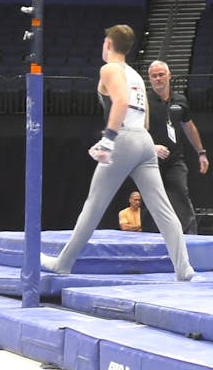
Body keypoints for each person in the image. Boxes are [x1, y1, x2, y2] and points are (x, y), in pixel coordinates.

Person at [41, 25, 194, 281]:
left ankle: (63, 264)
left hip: (123, 140)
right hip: (143, 141)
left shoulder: (110, 69)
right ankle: (184, 267)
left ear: (109, 44)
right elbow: (143, 119)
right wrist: (133, 141)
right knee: (163, 209)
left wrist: (109, 141)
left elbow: (121, 101)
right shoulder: (136, 75)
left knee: (93, 205)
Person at [147, 60, 210, 234]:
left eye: (161, 75)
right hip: (149, 160)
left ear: (169, 76)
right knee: (150, 200)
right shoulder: (144, 101)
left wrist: (201, 152)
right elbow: (136, 129)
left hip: (175, 160)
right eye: (154, 76)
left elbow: (189, 126)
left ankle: (190, 238)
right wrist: (152, 147)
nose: (158, 78)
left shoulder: (180, 100)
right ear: (149, 79)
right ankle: (149, 238)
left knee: (181, 195)